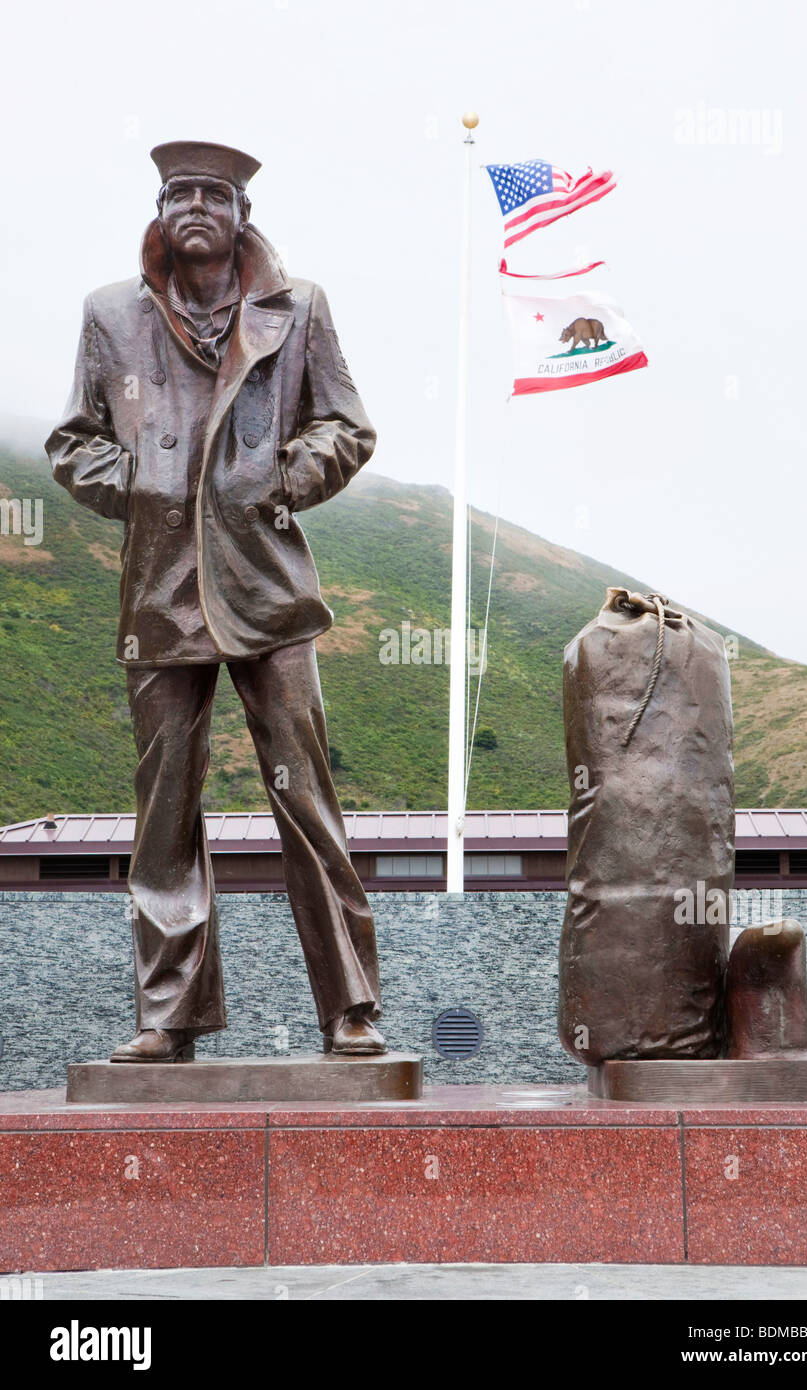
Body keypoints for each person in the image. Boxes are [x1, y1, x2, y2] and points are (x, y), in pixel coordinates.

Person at [46, 140, 386, 1061]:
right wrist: (144, 489)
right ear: (159, 211)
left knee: (306, 797)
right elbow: (72, 441)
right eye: (177, 193)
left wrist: (278, 478)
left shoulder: (297, 307)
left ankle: (351, 1006)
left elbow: (347, 427)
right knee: (165, 810)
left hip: (267, 589)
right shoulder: (109, 315)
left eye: (213, 194)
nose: (194, 206)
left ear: (241, 213)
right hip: (161, 593)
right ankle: (170, 1016)